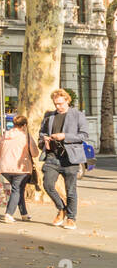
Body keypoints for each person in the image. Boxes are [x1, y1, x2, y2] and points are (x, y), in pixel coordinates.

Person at [38, 89, 89, 230]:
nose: (58, 106)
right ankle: (61, 208)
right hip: (52, 157)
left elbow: (84, 135)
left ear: (67, 100)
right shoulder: (49, 116)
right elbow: (41, 133)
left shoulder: (78, 115)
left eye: (60, 103)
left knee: (70, 190)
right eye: (55, 104)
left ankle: (71, 218)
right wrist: (44, 139)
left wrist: (64, 136)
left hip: (70, 158)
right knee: (47, 185)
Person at [0, 114, 37, 223]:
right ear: (24, 125)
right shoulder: (26, 136)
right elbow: (35, 153)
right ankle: (8, 214)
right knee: (17, 189)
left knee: (18, 190)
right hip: (21, 168)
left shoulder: (5, 135)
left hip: (5, 168)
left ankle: (24, 214)